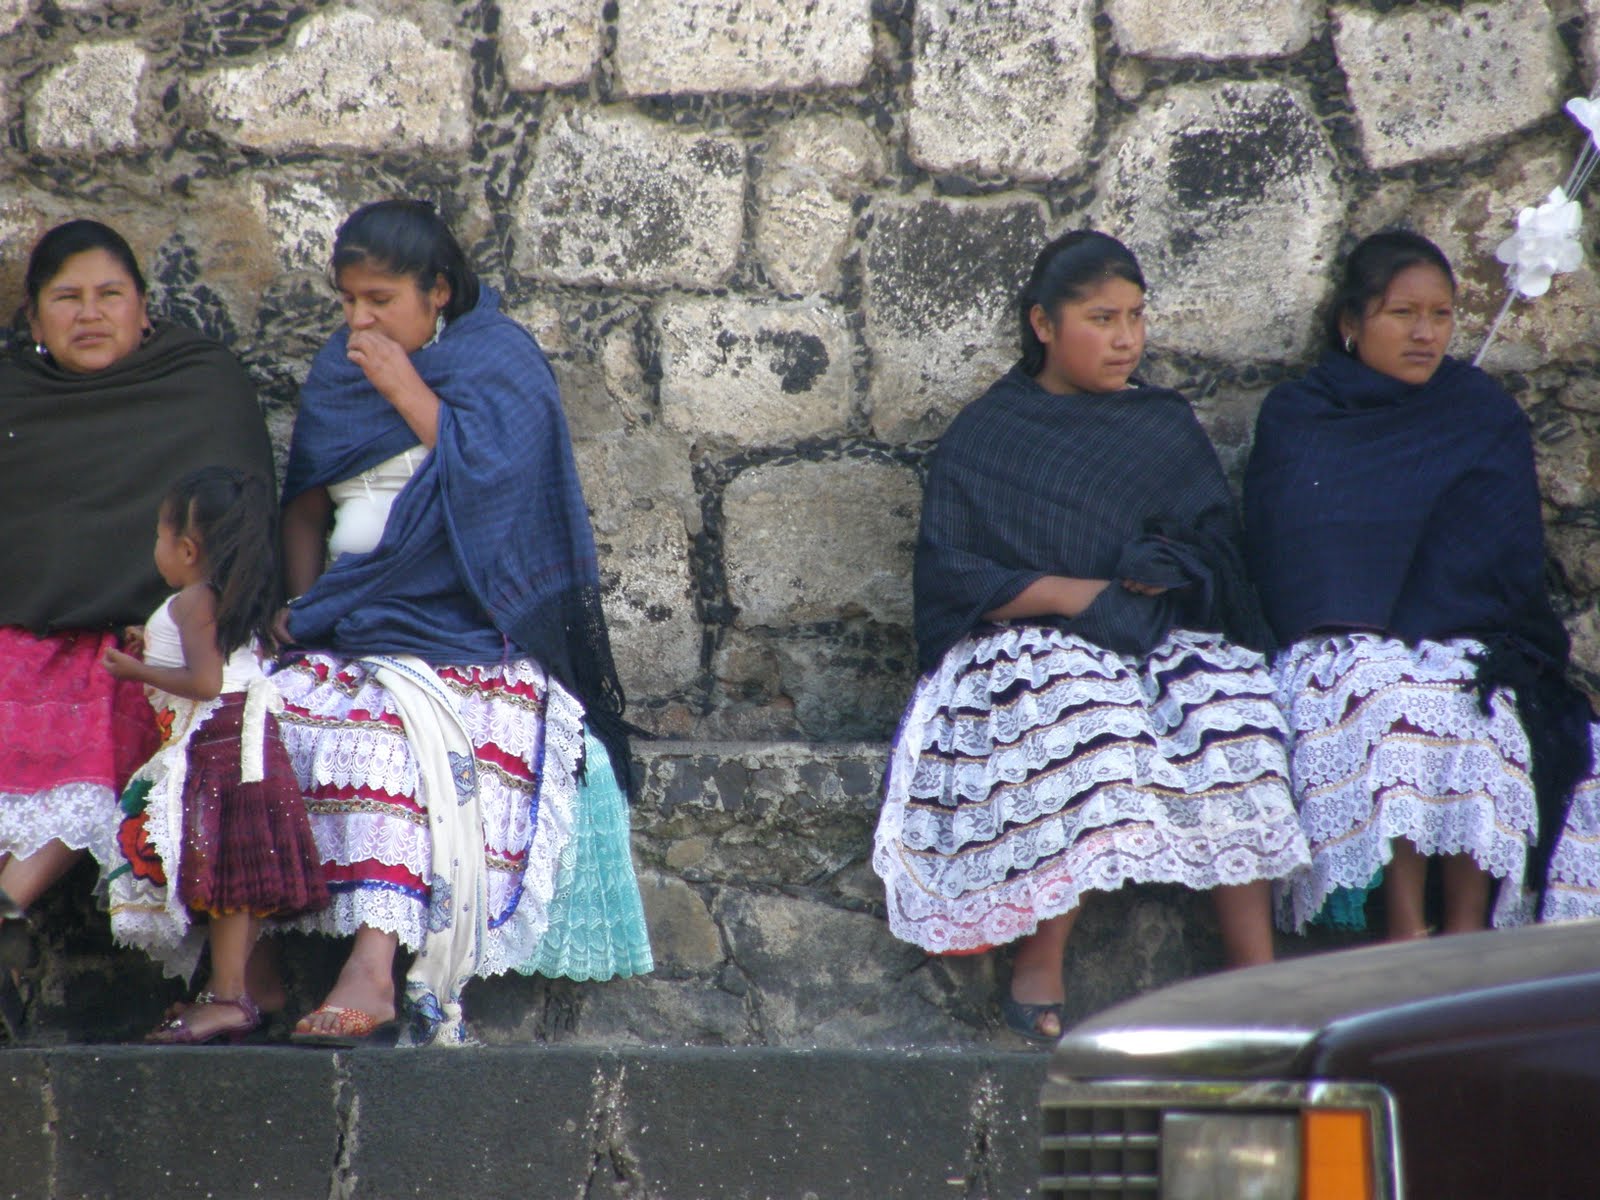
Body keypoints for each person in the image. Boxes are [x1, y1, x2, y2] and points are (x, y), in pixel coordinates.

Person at [872, 231, 1310, 1043]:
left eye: (1137, 317)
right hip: (1027, 637)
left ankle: (1255, 965)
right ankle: (1043, 957)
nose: (1126, 338)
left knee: (1233, 710)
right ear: (1043, 323)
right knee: (1086, 715)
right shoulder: (990, 433)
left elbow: (1217, 550)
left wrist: (1163, 567)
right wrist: (1072, 594)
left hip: (1151, 631)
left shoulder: (1160, 423)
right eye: (1102, 317)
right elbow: (950, 576)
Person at [271, 199, 651, 1047]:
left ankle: (374, 967)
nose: (359, 320)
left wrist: (408, 391)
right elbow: (300, 505)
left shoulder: (497, 361)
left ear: (437, 290)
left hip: (465, 629)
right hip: (343, 618)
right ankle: (237, 976)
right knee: (244, 718)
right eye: (347, 301)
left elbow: (508, 499)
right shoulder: (340, 370)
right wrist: (301, 609)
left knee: (413, 741)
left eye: (380, 299)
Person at [1244, 229, 1598, 937]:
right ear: (1352, 323)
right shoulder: (1303, 415)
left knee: (1483, 708)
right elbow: (1294, 556)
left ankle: (1468, 930)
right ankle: (1405, 927)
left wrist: (1450, 631)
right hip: (1341, 646)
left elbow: (1503, 559)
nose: (1426, 333)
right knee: (1389, 703)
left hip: (1468, 636)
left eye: (1440, 315)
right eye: (1403, 313)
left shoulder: (1477, 412)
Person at [0, 220, 274, 1035]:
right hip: (17, 633)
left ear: (144, 308)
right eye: (67, 299)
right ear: (33, 318)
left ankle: (8, 901)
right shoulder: (11, 397)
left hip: (136, 641)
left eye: (110, 294)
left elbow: (239, 546)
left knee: (107, 717)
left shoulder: (199, 386)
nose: (90, 314)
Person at [101, 467, 328, 1043]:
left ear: (187, 546)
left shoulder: (193, 600)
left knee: (230, 881)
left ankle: (229, 999)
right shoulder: (222, 597)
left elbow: (204, 681)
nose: (155, 547)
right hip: (244, 744)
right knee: (236, 881)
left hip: (222, 746)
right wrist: (149, 644)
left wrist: (135, 670)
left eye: (158, 533)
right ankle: (244, 992)